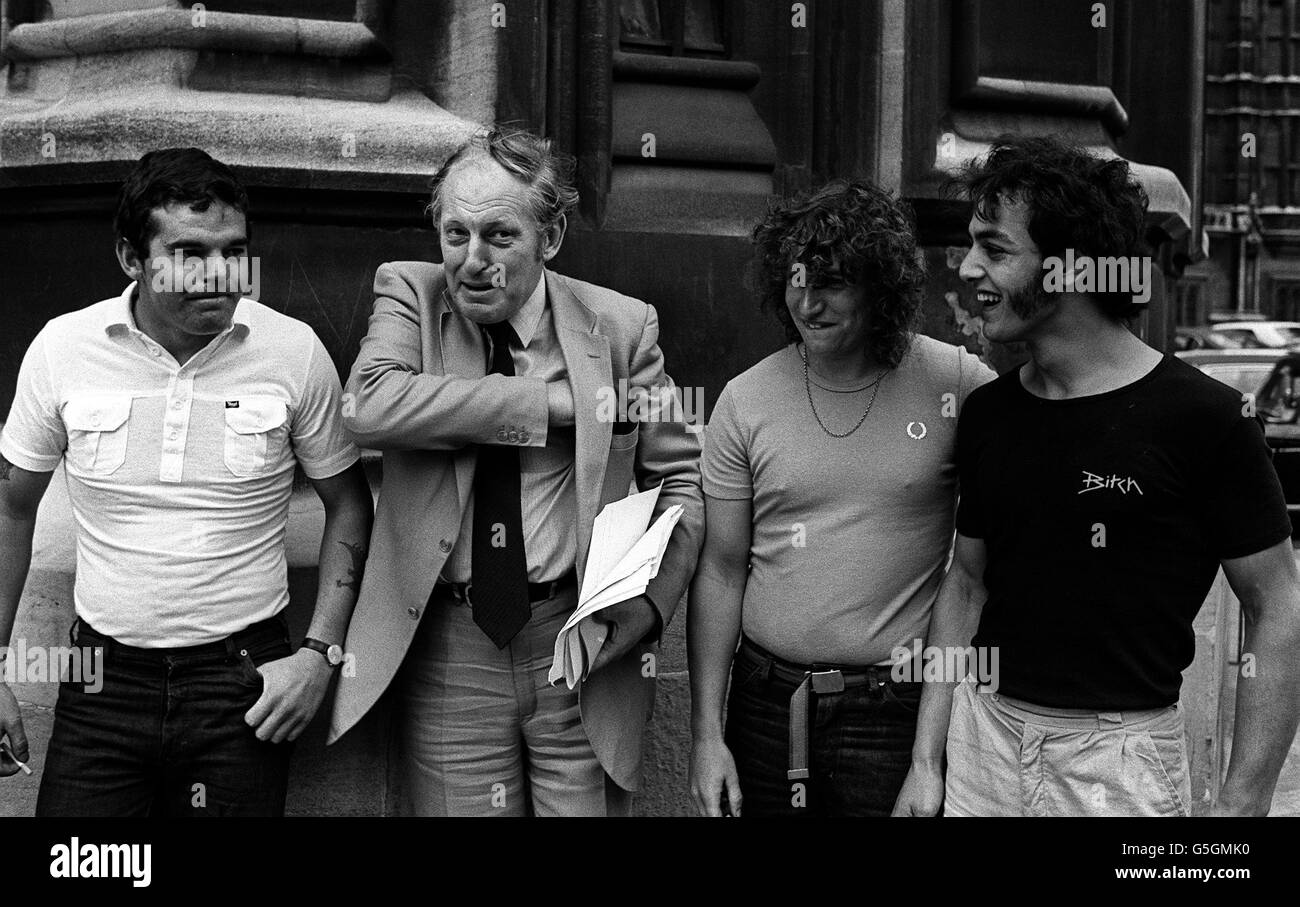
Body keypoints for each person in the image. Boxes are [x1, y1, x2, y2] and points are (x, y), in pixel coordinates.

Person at [895, 135, 1300, 817]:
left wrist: (1243, 802)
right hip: (981, 747)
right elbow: (966, 582)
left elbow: (1276, 607)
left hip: (1121, 767)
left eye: (995, 249)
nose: (965, 268)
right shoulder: (990, 412)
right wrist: (925, 759)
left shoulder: (1207, 417)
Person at [328, 127, 704, 817]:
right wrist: (546, 405)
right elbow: (367, 403)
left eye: (499, 236)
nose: (473, 262)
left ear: (550, 235)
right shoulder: (410, 295)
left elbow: (681, 480)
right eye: (454, 234)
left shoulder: (620, 327)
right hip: (452, 651)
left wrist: (651, 609)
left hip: (581, 647)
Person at [0, 148, 373, 815]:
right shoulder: (63, 349)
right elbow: (11, 507)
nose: (219, 275)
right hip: (101, 680)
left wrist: (320, 653)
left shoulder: (292, 352)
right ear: (130, 258)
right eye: (189, 252)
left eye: (234, 251)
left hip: (244, 682)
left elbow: (350, 504)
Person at [687, 179, 995, 817]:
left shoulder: (957, 384)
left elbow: (984, 561)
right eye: (797, 281)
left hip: (891, 710)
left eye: (831, 284)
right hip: (765, 704)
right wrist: (705, 737)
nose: (809, 303)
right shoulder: (745, 399)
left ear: (880, 289)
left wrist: (928, 761)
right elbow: (720, 569)